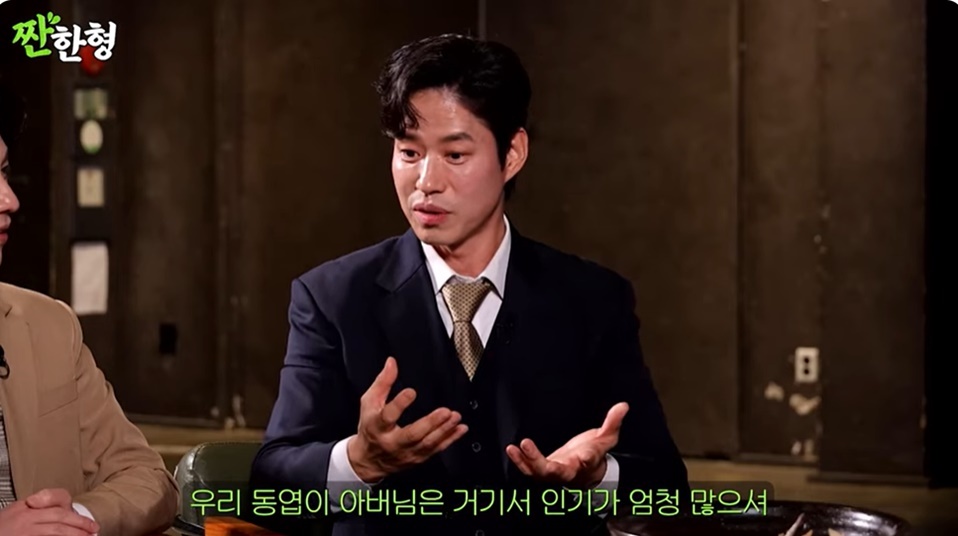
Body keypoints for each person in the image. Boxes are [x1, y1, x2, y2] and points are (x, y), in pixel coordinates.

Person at [250, 34, 688, 535]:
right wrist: (358, 461)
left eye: (455, 155)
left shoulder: (591, 300)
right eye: (409, 152)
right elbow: (271, 483)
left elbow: (666, 486)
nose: (425, 182)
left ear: (512, 154)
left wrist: (597, 477)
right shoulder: (334, 297)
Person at [0, 81, 179, 536]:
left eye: (3, 173)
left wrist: (74, 519)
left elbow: (148, 480)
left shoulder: (47, 326)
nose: (10, 200)